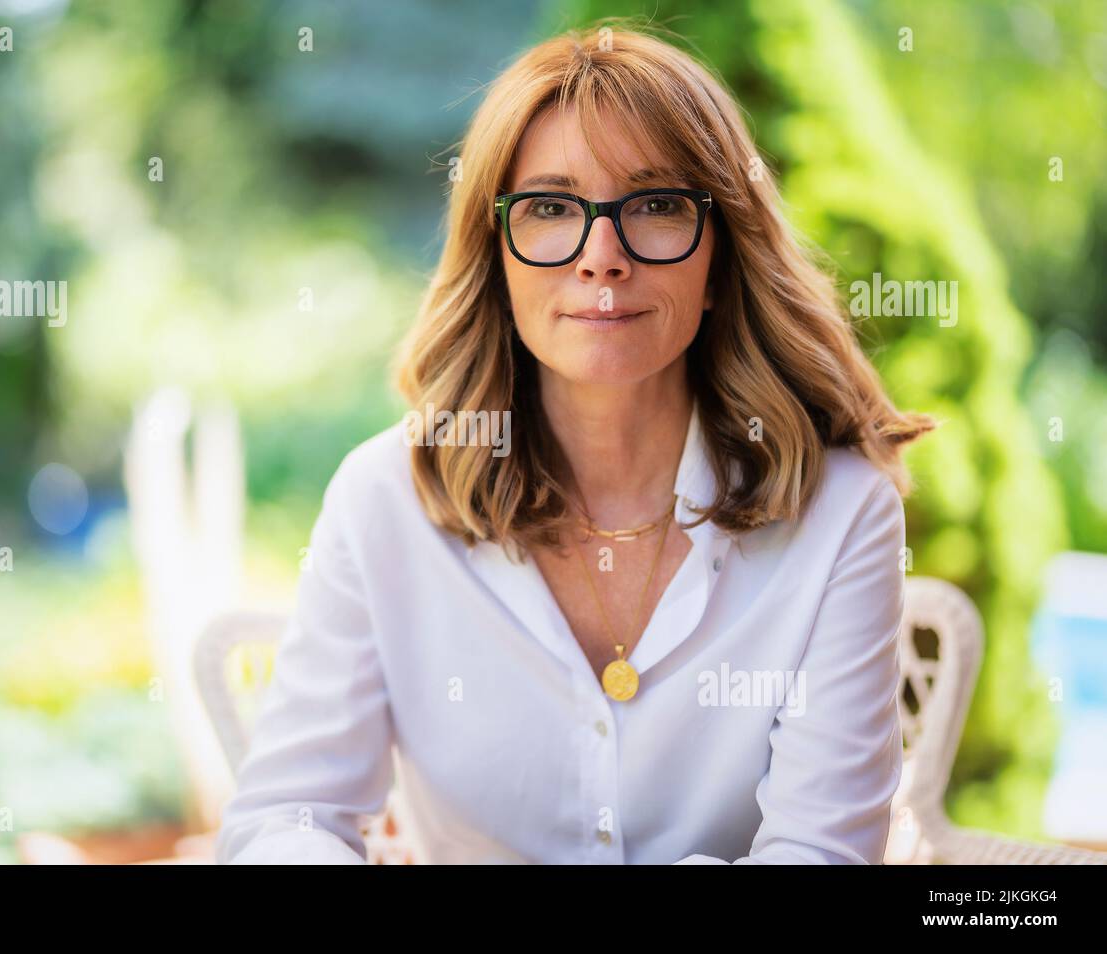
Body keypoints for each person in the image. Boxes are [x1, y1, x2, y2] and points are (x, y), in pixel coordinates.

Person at [216, 22, 936, 864]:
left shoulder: (842, 513)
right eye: (551, 208)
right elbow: (285, 821)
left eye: (658, 206)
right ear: (497, 255)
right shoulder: (382, 498)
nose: (602, 258)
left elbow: (822, 853)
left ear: (722, 256)